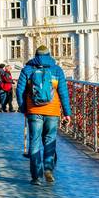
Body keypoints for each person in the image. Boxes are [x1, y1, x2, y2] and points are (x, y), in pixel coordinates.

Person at [16, 45, 71, 185]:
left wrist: (24, 108)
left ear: (35, 55)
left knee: (34, 142)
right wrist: (67, 113)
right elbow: (63, 93)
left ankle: (36, 177)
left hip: (34, 111)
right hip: (52, 112)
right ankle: (48, 169)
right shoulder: (57, 70)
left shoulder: (27, 70)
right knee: (49, 140)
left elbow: (19, 91)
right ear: (49, 55)